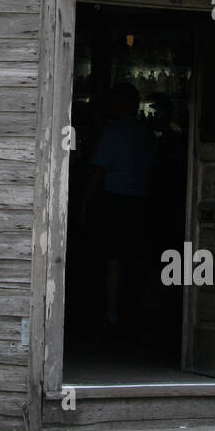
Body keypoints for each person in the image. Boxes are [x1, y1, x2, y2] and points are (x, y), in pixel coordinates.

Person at [80, 83, 158, 335]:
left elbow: (98, 172)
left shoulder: (112, 134)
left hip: (115, 200)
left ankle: (111, 315)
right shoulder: (147, 134)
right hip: (143, 201)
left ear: (123, 104)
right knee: (138, 259)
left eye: (115, 102)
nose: (112, 107)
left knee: (113, 259)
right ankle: (140, 313)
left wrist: (84, 204)